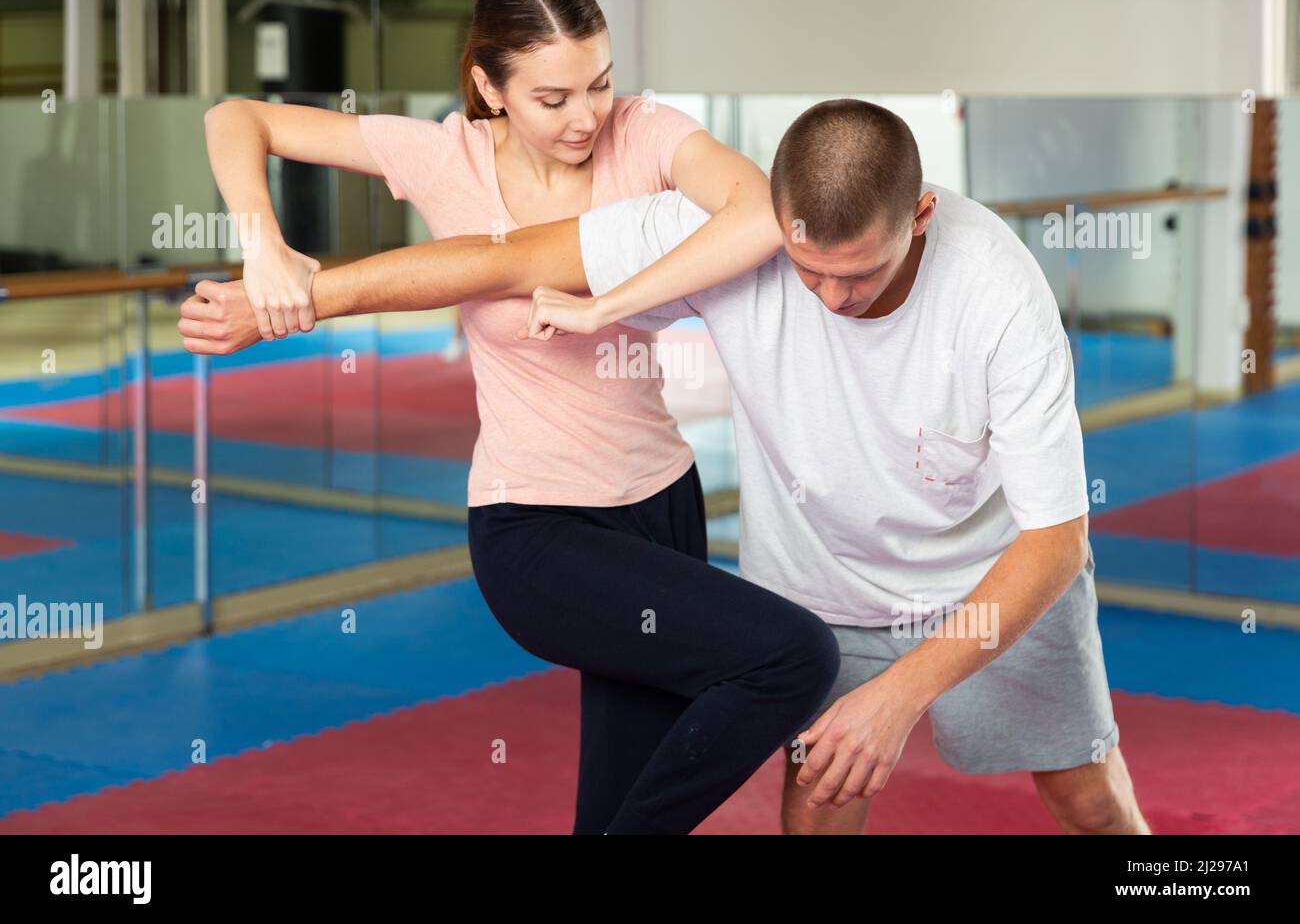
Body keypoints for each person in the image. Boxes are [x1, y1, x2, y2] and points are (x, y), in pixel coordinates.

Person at [185, 98, 1151, 835]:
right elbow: (506, 260)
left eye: (857, 272)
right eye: (810, 267)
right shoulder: (741, 242)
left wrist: (902, 695)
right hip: (824, 575)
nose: (830, 295)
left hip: (989, 581)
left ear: (923, 215)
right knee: (819, 786)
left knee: (1085, 796)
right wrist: (307, 298)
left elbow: (1056, 538)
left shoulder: (998, 291)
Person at [191, 0, 840, 836]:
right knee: (794, 658)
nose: (586, 118)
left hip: (662, 509)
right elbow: (236, 117)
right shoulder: (439, 155)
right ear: (489, 88)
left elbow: (762, 211)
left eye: (600, 84)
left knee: (619, 797)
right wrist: (262, 244)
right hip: (536, 525)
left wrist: (608, 304)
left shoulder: (645, 134)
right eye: (554, 98)